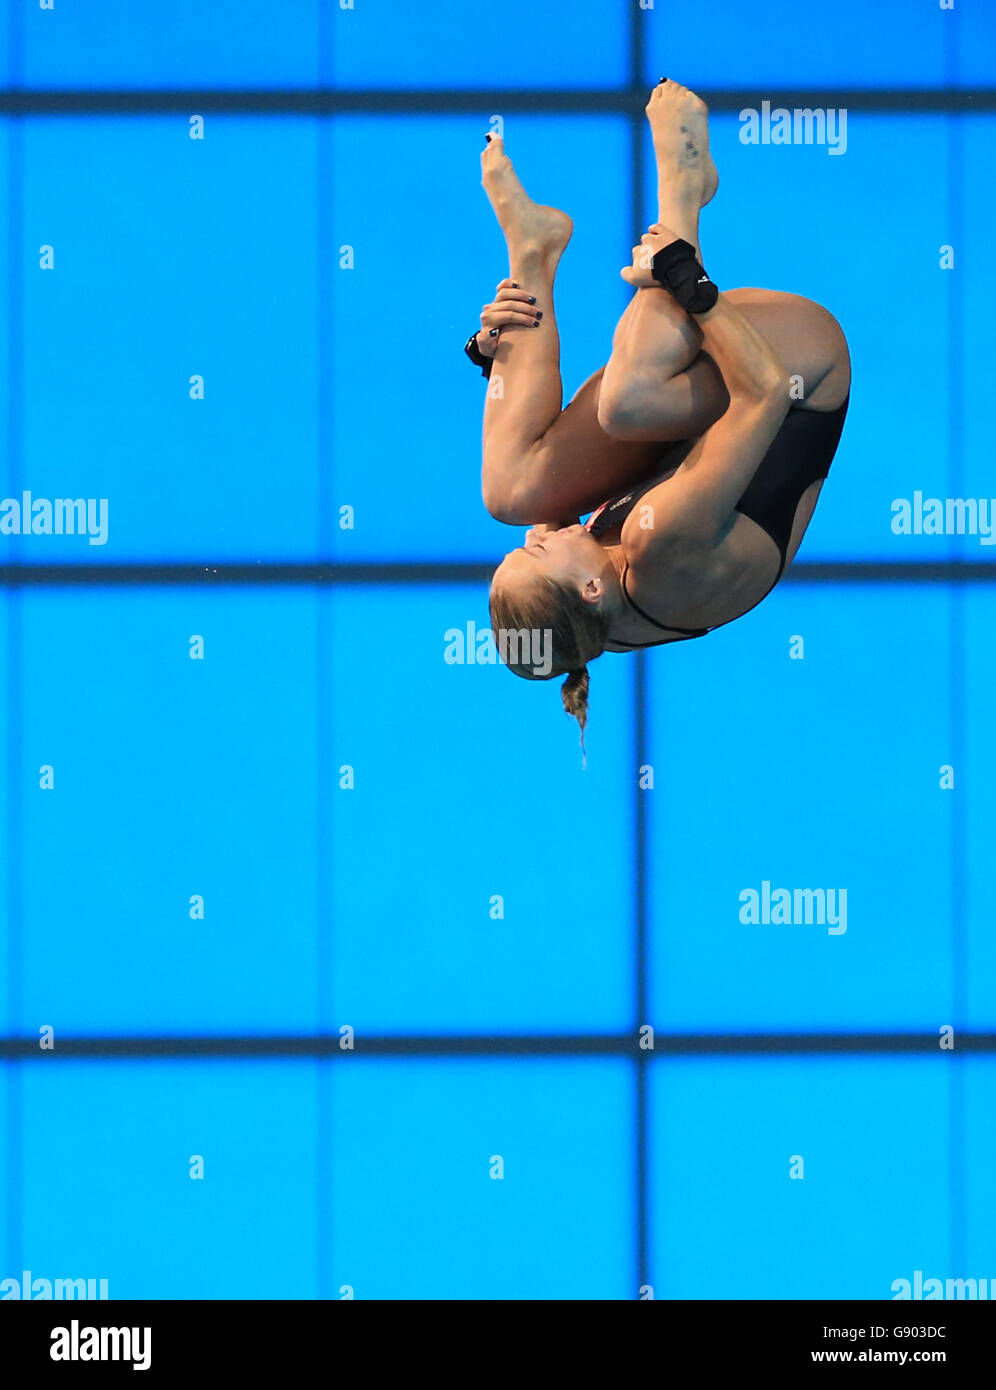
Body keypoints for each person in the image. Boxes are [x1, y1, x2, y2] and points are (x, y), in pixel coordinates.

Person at [467, 80, 850, 754]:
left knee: (509, 488)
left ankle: (532, 251)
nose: (536, 537)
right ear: (590, 587)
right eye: (535, 554)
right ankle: (686, 193)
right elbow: (761, 391)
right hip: (794, 376)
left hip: (704, 429)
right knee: (628, 400)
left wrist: (493, 357)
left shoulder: (581, 610)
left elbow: (538, 489)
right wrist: (681, 273)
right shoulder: (661, 547)